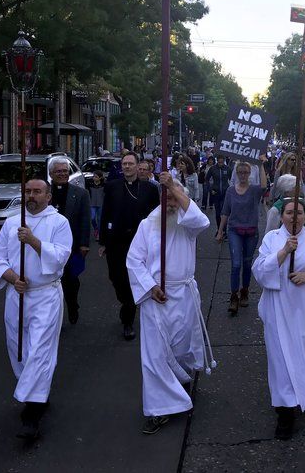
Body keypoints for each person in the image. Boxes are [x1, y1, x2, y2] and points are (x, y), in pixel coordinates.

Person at [127, 173, 215, 435]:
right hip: (155, 297)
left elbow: (202, 221)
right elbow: (134, 261)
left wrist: (173, 188)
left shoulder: (188, 225)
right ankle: (159, 408)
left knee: (180, 347)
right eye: (166, 196)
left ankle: (179, 382)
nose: (171, 202)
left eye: (176, 196)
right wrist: (151, 287)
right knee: (154, 355)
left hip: (183, 294)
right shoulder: (147, 225)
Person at [0, 179, 71, 440]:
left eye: (36, 192)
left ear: (48, 195)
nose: (31, 196)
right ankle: (37, 391)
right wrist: (13, 278)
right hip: (18, 295)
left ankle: (31, 415)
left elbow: (60, 257)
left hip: (45, 296)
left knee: (40, 351)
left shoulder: (59, 223)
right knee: (19, 348)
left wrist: (33, 240)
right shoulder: (12, 223)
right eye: (27, 191)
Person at [252, 198, 305, 440]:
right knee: (280, 356)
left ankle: (299, 394)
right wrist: (283, 253)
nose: (294, 217)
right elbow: (259, 272)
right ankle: (285, 411)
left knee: (301, 352)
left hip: (304, 309)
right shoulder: (272, 239)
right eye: (289, 212)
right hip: (277, 308)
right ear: (281, 216)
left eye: (299, 213)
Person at [98, 152, 160, 341]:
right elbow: (105, 213)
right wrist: (102, 242)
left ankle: (128, 320)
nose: (127, 167)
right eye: (124, 164)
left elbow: (156, 216)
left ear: (137, 166)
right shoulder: (112, 187)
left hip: (139, 243)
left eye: (130, 164)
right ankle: (126, 303)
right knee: (116, 279)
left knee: (131, 280)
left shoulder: (149, 188)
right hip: (116, 242)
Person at [216, 158, 268, 315]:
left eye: (246, 172)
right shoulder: (231, 190)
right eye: (240, 172)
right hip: (234, 231)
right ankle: (234, 296)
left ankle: (244, 291)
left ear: (249, 173)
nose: (243, 175)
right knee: (236, 264)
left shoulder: (254, 190)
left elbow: (265, 186)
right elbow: (225, 211)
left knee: (247, 264)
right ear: (236, 174)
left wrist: (260, 164)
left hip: (251, 231)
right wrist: (220, 231)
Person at [48, 158, 91, 325]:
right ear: (51, 174)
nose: (62, 174)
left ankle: (72, 305)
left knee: (71, 280)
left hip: (71, 246)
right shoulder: (44, 192)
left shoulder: (80, 193)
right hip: (48, 246)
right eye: (58, 171)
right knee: (52, 281)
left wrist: (84, 244)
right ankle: (55, 314)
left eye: (65, 171)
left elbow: (85, 220)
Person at [205, 155, 232, 231]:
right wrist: (211, 189)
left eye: (222, 162)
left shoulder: (227, 168)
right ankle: (218, 229)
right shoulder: (213, 168)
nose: (220, 163)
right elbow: (206, 180)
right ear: (217, 161)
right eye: (219, 162)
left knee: (224, 213)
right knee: (217, 213)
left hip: (225, 193)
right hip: (216, 193)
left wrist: (230, 190)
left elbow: (232, 180)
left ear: (224, 161)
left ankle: (224, 231)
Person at [88, 170, 104, 241]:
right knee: (92, 218)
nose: (94, 178)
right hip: (92, 204)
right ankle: (96, 228)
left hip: (101, 204)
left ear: (100, 178)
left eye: (96, 177)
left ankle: (99, 234)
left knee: (100, 219)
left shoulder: (104, 185)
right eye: (93, 176)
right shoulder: (90, 184)